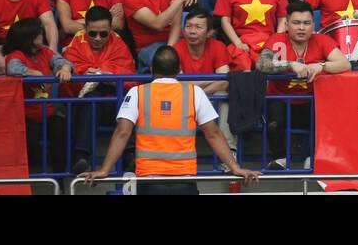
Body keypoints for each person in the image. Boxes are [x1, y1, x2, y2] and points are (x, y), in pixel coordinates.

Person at [81, 46, 258, 193]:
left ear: (151, 69)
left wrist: (104, 169)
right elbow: (213, 134)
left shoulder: (137, 93)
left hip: (149, 180)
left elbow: (122, 132)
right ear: (179, 70)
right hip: (184, 180)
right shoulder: (194, 93)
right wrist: (235, 167)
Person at [255, 1, 351, 170]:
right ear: (286, 24)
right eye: (296, 23)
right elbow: (261, 65)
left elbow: (345, 64)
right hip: (280, 102)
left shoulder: (321, 40)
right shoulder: (276, 40)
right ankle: (280, 158)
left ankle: (311, 157)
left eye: (306, 23)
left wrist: (321, 66)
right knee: (273, 109)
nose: (301, 28)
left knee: (324, 108)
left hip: (310, 101)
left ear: (313, 25)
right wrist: (290, 65)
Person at [61, 5, 136, 172]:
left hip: (114, 101)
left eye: (103, 34)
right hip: (87, 104)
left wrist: (108, 74)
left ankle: (130, 156)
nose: (97, 38)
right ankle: (81, 157)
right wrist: (86, 74)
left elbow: (130, 76)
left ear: (110, 29)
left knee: (125, 101)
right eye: (92, 33)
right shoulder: (76, 43)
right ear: (85, 28)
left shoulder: (118, 42)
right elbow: (69, 80)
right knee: (92, 99)